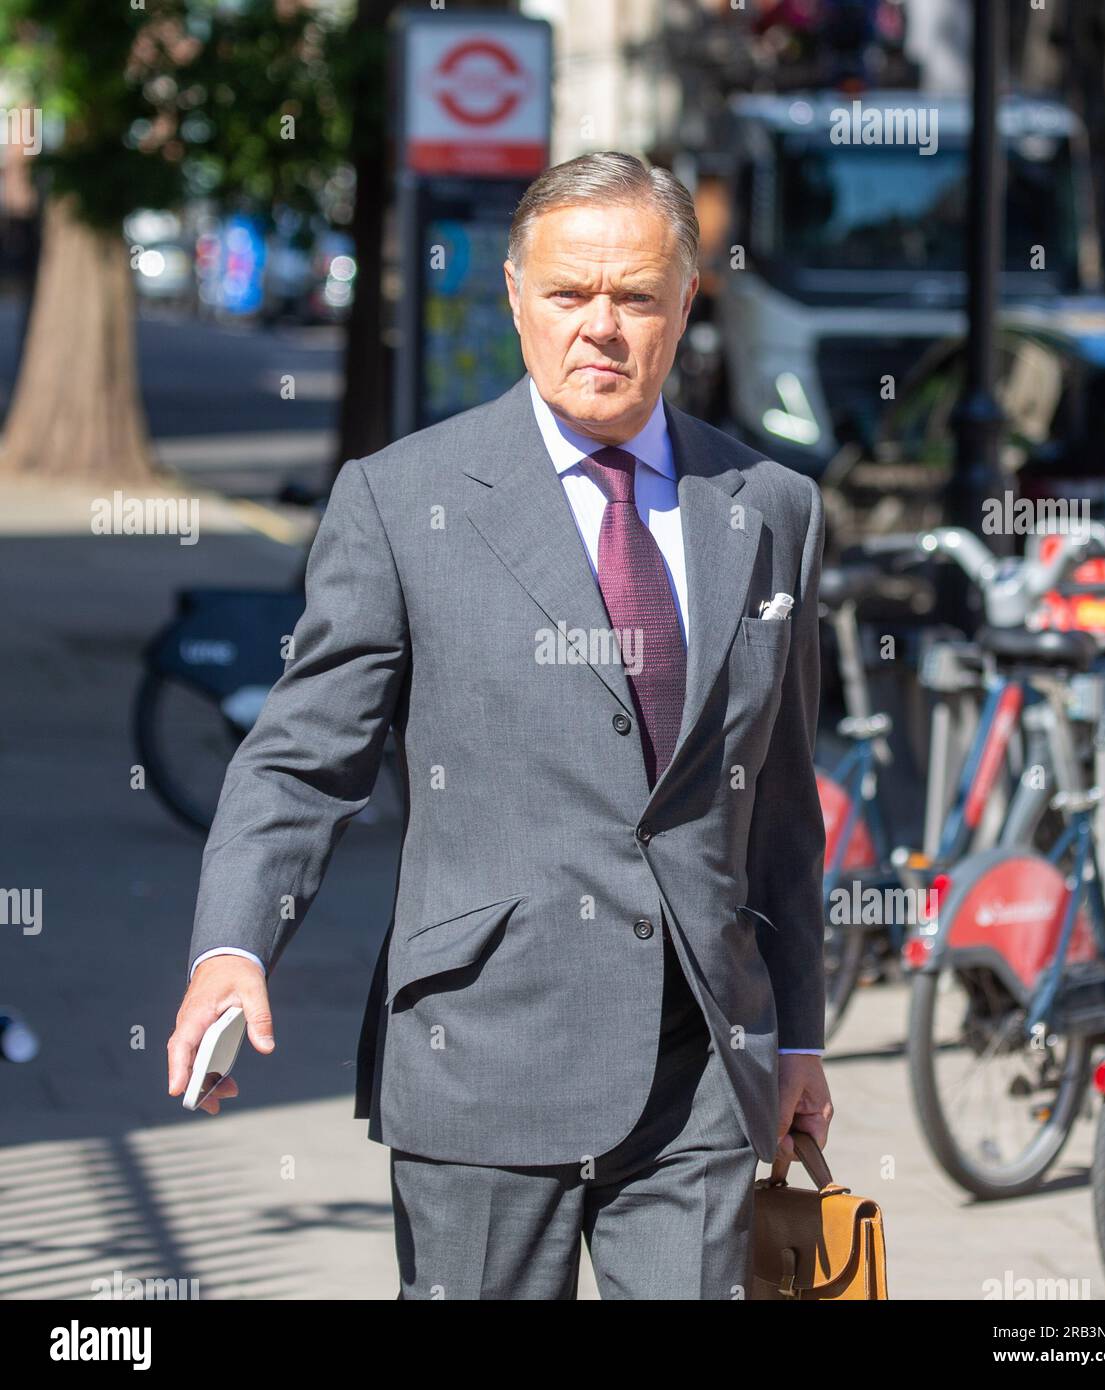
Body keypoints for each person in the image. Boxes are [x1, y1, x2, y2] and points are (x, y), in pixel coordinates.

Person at [167, 151, 832, 1300]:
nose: (601, 328)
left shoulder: (767, 505)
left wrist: (801, 1036)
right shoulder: (402, 499)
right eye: (570, 294)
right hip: (482, 1056)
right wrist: (231, 948)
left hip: (700, 1071)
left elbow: (775, 795)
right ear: (516, 299)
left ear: (684, 304)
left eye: (634, 296)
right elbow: (300, 763)